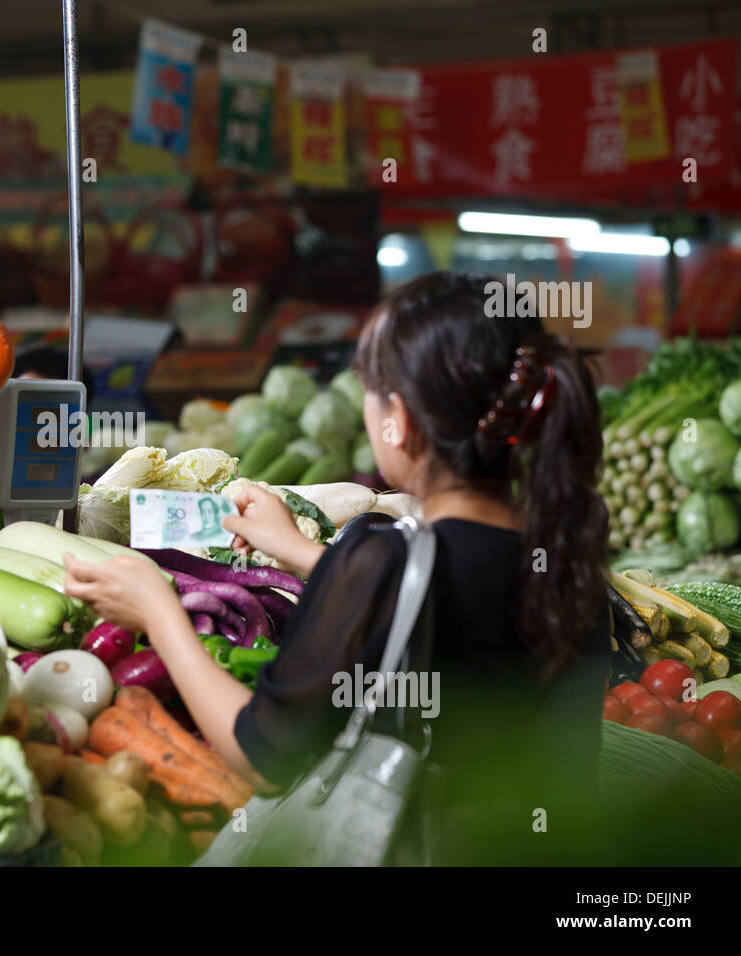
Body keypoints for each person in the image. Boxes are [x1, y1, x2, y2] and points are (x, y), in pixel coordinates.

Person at [63, 272, 612, 864]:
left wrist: (160, 613)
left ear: (397, 419)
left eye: (370, 390)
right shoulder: (567, 557)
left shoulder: (384, 559)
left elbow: (262, 756)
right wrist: (300, 552)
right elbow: (441, 610)